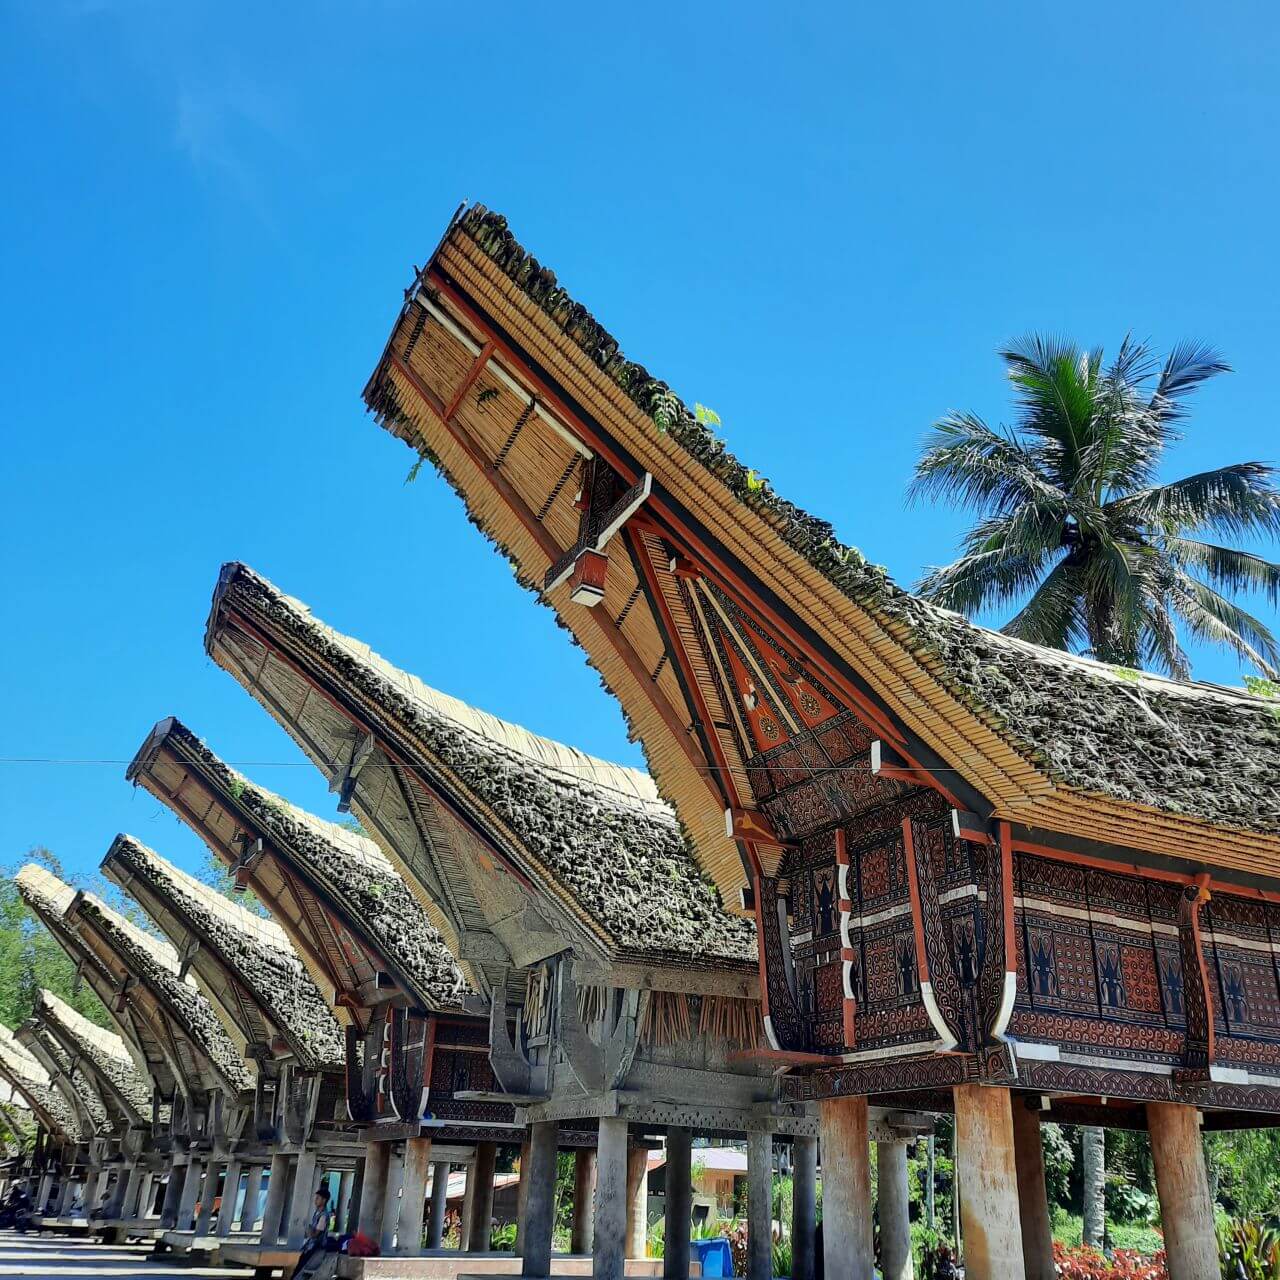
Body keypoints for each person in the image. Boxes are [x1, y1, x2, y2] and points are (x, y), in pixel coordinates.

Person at [291, 1185, 332, 1279]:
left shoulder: (323, 1216)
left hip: (316, 1247)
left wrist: (308, 1229)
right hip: (310, 1246)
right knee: (299, 1267)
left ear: (324, 1200)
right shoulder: (317, 1213)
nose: (315, 1200)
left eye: (318, 1198)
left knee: (301, 1269)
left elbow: (315, 1234)